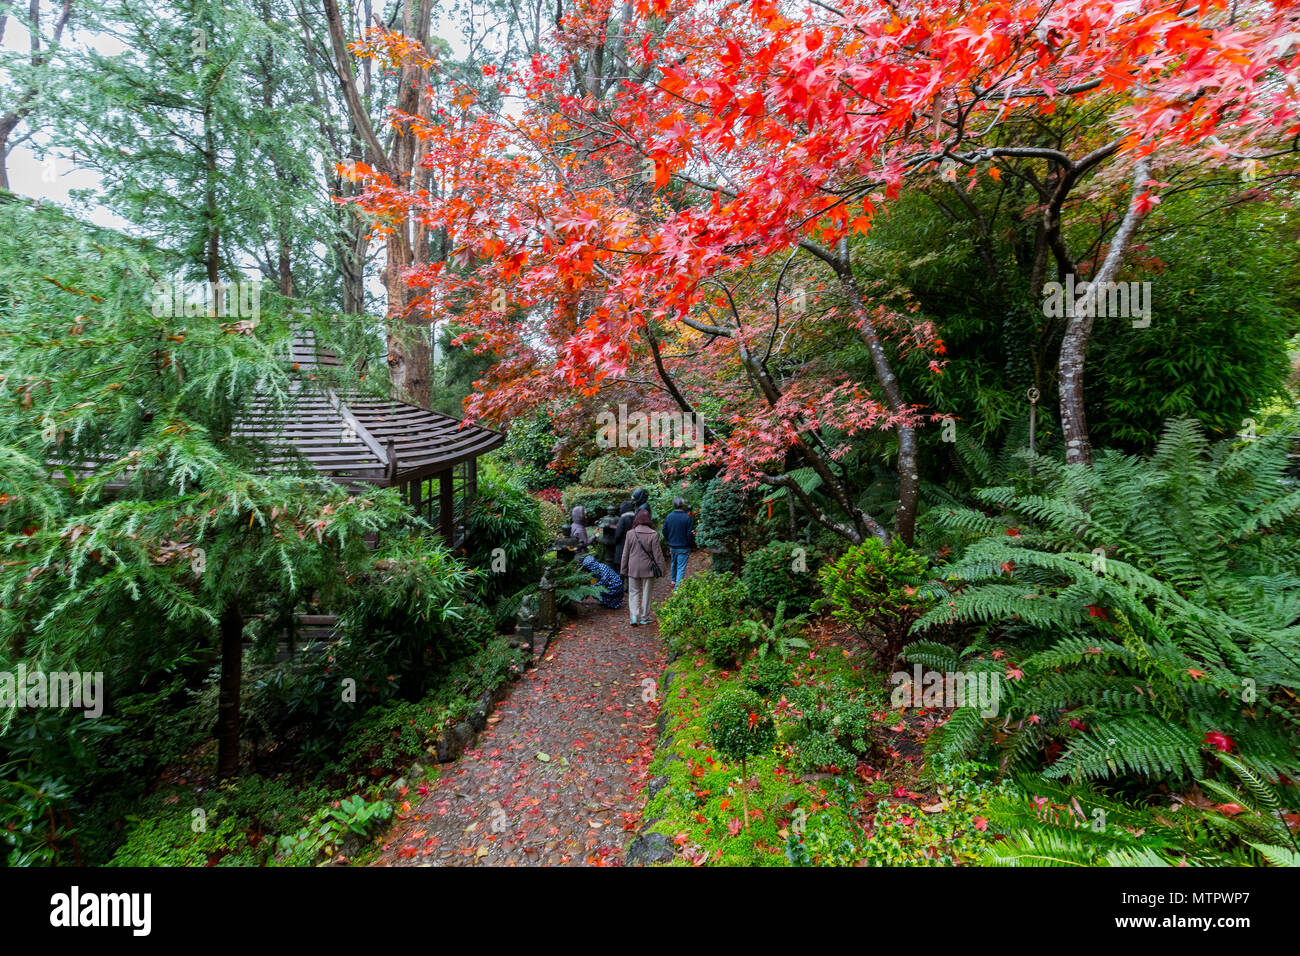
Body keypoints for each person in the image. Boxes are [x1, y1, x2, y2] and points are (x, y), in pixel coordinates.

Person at [620, 510, 662, 626]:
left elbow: (625, 554)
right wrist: (662, 570)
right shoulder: (653, 534)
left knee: (633, 592)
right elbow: (658, 555)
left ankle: (634, 616)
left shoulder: (630, 534)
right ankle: (644, 617)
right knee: (647, 593)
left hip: (633, 568)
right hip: (648, 568)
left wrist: (623, 569)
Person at [661, 496, 695, 589]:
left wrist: (669, 539)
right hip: (684, 546)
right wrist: (690, 543)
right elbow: (690, 533)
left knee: (674, 563)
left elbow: (664, 531)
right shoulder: (687, 517)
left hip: (673, 546)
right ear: (683, 505)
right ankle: (677, 589)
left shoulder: (669, 516)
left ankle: (673, 581)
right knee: (681, 567)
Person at [611, 498, 636, 575]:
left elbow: (618, 534)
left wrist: (615, 541)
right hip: (633, 546)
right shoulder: (635, 517)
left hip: (622, 546)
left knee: (621, 569)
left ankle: (621, 582)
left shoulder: (623, 518)